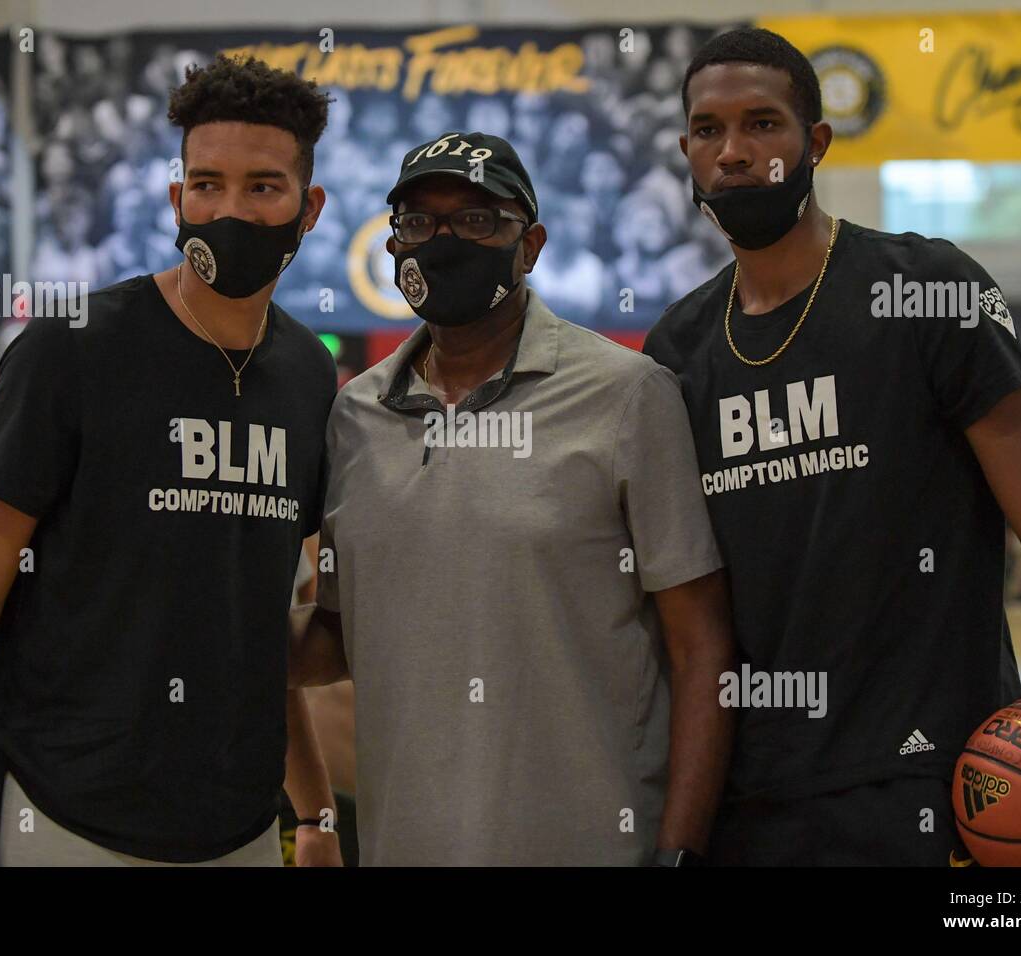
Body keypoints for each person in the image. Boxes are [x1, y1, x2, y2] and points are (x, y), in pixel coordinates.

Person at [643, 27, 1021, 865]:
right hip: (753, 799)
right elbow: (694, 635)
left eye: (763, 124)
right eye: (708, 130)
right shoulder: (676, 352)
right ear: (685, 150)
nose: (733, 152)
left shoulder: (926, 291)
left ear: (815, 143)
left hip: (939, 785)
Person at [0, 55, 342, 867]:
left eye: (263, 187)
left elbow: (255, 624)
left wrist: (317, 817)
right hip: (64, 818)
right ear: (175, 200)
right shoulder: (71, 353)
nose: (228, 209)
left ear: (310, 209)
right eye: (206, 184)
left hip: (241, 829)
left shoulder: (307, 377)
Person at [291, 131, 734, 866]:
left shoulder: (626, 396)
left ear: (529, 245)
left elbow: (701, 645)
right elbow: (343, 631)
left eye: (475, 220)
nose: (442, 241)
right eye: (418, 222)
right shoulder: (356, 418)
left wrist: (681, 849)